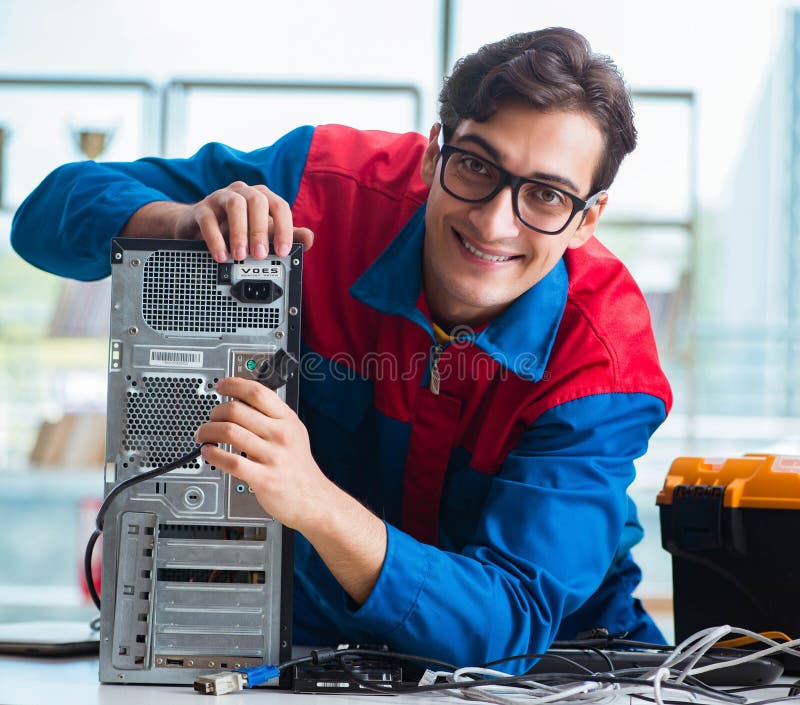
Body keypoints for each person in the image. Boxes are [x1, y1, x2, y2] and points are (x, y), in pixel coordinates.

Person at [11, 27, 671, 669]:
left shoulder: (604, 362)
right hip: (306, 652)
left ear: (587, 218)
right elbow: (43, 217)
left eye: (547, 194)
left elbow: (510, 619)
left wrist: (314, 501)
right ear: (433, 151)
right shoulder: (315, 190)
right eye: (475, 165)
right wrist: (176, 226)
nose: (494, 222)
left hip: (556, 672)